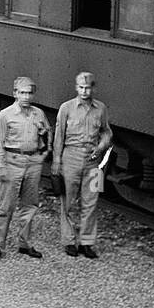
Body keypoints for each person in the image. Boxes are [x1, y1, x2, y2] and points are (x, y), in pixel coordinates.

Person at [52, 71, 113, 259]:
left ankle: (87, 243)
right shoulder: (66, 108)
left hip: (94, 161)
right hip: (71, 156)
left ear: (93, 88)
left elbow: (107, 132)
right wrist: (56, 162)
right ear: (76, 87)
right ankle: (69, 241)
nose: (84, 91)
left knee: (91, 202)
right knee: (68, 202)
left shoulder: (101, 108)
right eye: (81, 87)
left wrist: (101, 146)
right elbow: (59, 136)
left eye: (88, 88)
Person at [0, 76, 52, 259]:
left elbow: (48, 135)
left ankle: (25, 244)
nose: (26, 96)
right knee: (5, 206)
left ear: (33, 95)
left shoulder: (38, 114)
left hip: (33, 163)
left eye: (29, 93)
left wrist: (43, 155)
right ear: (15, 93)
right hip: (12, 162)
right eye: (22, 92)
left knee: (30, 205)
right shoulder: (5, 115)